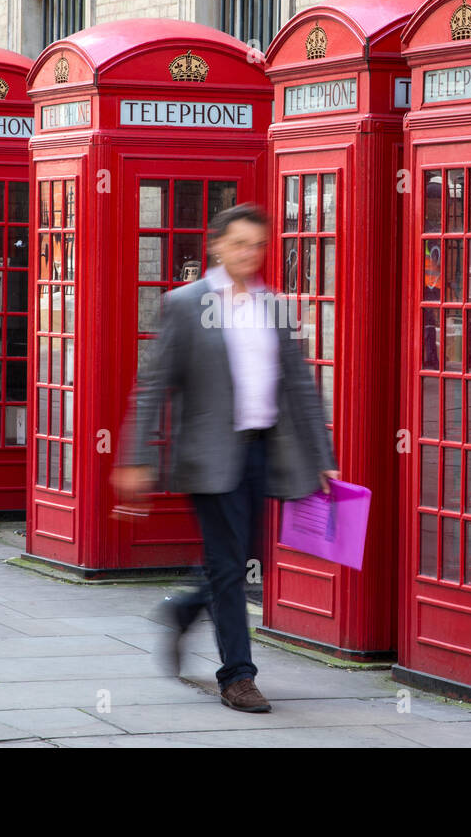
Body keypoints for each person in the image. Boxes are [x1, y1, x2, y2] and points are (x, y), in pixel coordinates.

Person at [111, 203, 339, 713]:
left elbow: (301, 386)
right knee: (233, 568)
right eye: (238, 244)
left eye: (257, 245)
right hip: (210, 456)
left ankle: (183, 610)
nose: (248, 254)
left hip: (266, 454)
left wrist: (325, 456)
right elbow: (152, 386)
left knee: (235, 561)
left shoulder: (274, 304)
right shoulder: (186, 305)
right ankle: (237, 676)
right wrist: (134, 457)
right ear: (216, 245)